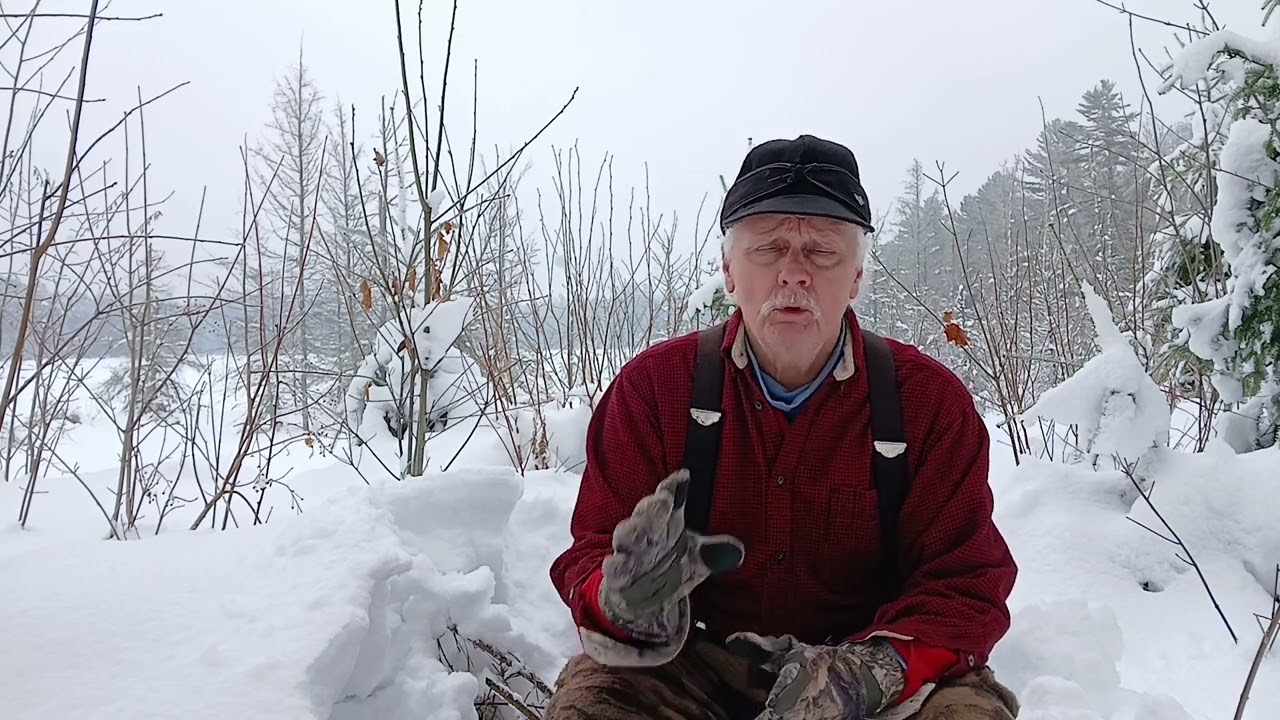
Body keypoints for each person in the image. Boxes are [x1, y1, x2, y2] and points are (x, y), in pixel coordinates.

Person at [543, 134, 1020, 720]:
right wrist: (622, 600)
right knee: (595, 703)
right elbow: (589, 553)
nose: (794, 274)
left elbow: (966, 585)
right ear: (729, 271)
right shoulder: (655, 392)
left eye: (821, 252)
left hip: (874, 670)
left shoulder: (927, 405)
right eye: (769, 249)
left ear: (856, 277)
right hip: (695, 666)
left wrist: (862, 677)